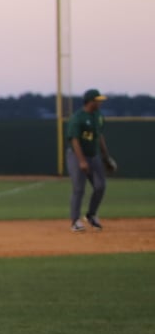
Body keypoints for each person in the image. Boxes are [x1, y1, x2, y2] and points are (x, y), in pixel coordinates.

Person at [65, 89, 115, 231]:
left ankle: (91, 215)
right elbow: (74, 140)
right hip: (77, 155)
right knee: (79, 189)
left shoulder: (98, 116)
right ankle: (75, 221)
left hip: (94, 155)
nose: (100, 102)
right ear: (90, 101)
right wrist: (81, 161)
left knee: (100, 186)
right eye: (97, 100)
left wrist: (106, 156)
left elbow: (99, 136)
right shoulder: (78, 117)